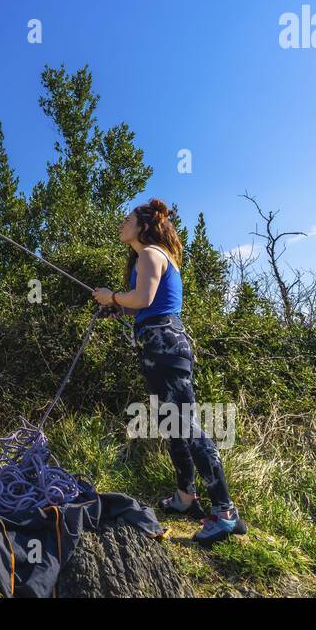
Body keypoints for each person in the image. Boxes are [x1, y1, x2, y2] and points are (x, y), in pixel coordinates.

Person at [92, 198, 247, 544]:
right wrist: (119, 304)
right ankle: (186, 496)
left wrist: (112, 296)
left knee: (185, 425)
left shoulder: (149, 254)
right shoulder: (154, 256)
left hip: (164, 347)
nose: (121, 223)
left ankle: (225, 512)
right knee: (173, 424)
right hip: (162, 345)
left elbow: (143, 299)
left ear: (143, 226)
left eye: (127, 219)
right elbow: (146, 303)